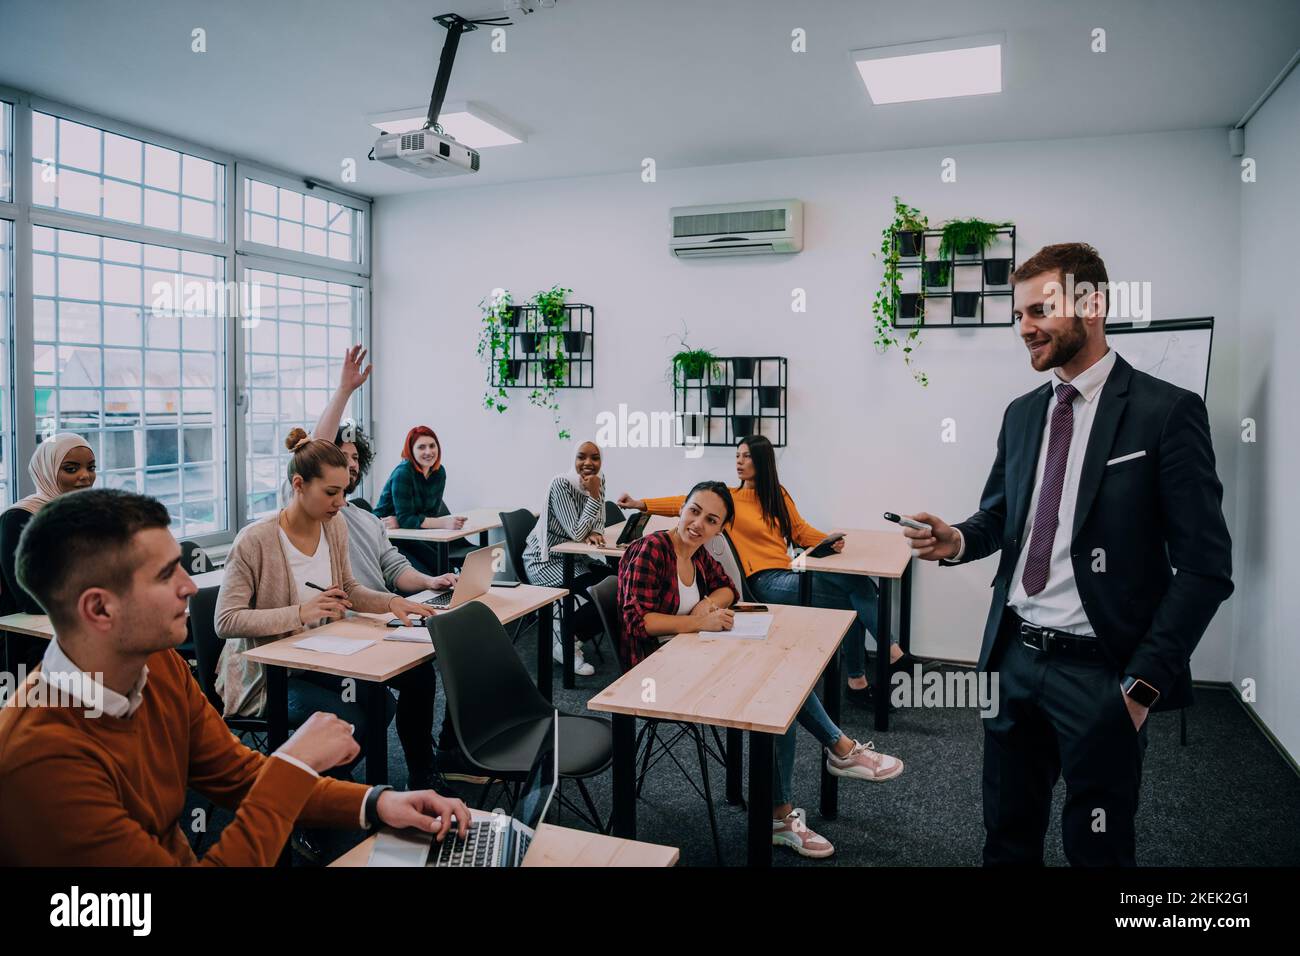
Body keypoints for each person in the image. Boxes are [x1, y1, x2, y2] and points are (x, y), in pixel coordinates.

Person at [901, 243, 1233, 867]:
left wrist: (1141, 688)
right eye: (1019, 314)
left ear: (1093, 304)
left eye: (1039, 310)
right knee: (1006, 835)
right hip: (1014, 659)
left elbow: (1206, 569)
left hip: (1102, 674)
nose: (1024, 327)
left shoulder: (1167, 414)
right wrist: (959, 541)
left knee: (1098, 848)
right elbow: (1002, 517)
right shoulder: (1023, 415)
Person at [0, 488, 469, 865]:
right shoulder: (39, 761)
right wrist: (294, 765)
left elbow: (239, 775)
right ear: (99, 608)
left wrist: (375, 803)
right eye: (167, 574)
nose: (189, 585)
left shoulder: (157, 664)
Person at [618, 481, 903, 859]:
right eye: (694, 511)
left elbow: (727, 590)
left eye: (711, 520)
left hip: (693, 653)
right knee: (775, 693)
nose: (698, 523)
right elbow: (638, 622)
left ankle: (799, 796)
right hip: (657, 674)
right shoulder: (653, 549)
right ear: (681, 509)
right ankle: (828, 761)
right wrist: (697, 622)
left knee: (782, 684)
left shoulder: (698, 553)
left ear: (720, 529)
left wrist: (705, 604)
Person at [618, 434, 904, 708]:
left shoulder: (776, 495)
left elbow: (800, 530)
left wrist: (828, 542)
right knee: (854, 594)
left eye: (747, 457)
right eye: (737, 456)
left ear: (762, 462)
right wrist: (640, 504)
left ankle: (860, 678)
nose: (739, 462)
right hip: (763, 581)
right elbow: (681, 503)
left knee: (854, 590)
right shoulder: (726, 501)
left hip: (788, 572)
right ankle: (887, 658)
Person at [310, 345, 480, 784]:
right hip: (334, 634)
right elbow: (313, 450)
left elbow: (393, 566)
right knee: (394, 684)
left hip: (372, 620)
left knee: (427, 671)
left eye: (351, 461)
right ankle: (334, 794)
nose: (345, 466)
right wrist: (344, 391)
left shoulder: (365, 519)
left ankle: (425, 771)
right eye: (336, 458)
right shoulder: (315, 514)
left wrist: (430, 579)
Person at [215, 429, 431, 771]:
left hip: (323, 661)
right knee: (349, 721)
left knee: (381, 706)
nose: (341, 502)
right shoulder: (254, 541)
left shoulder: (333, 527)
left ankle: (324, 793)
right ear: (299, 485)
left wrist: (391, 602)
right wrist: (300, 613)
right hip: (271, 678)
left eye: (344, 492)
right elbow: (226, 621)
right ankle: (317, 802)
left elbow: (349, 588)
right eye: (331, 492)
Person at [0, 433, 97, 671]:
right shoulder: (19, 519)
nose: (85, 476)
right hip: (33, 643)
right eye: (71, 469)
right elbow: (31, 598)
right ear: (47, 471)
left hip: (83, 633)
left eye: (91, 467)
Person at [522, 439, 614, 677]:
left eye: (595, 457)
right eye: (581, 456)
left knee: (620, 585)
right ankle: (565, 642)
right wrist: (594, 495)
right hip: (545, 560)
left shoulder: (599, 479)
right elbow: (576, 531)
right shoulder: (561, 484)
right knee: (598, 595)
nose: (588, 463)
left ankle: (568, 631)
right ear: (573, 458)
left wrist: (597, 531)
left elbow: (600, 521)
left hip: (574, 558)